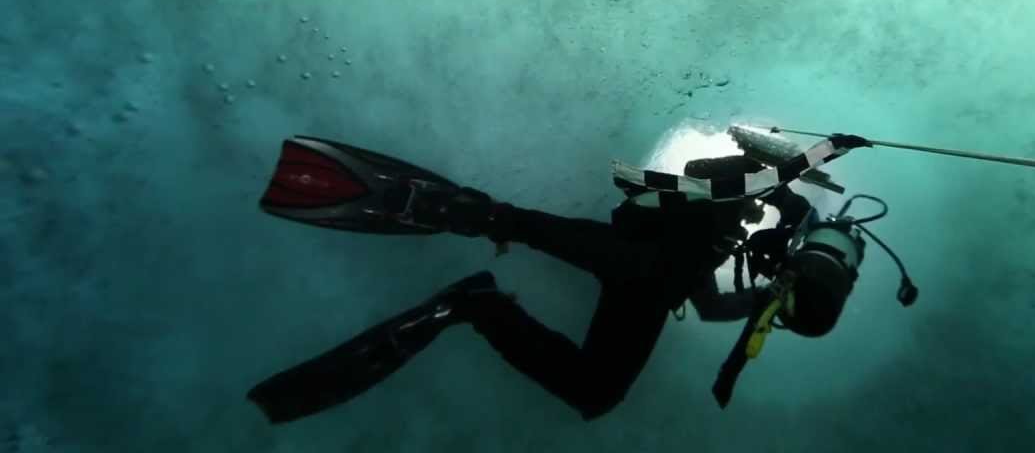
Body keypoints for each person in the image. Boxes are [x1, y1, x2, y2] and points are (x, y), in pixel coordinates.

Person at [246, 137, 826, 423]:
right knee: (516, 223)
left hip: (648, 290)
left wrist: (766, 299)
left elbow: (709, 307)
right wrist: (810, 158)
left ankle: (479, 304)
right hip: (635, 260)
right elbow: (692, 178)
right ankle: (468, 226)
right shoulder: (726, 189)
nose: (759, 218)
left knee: (596, 395)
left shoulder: (728, 232)